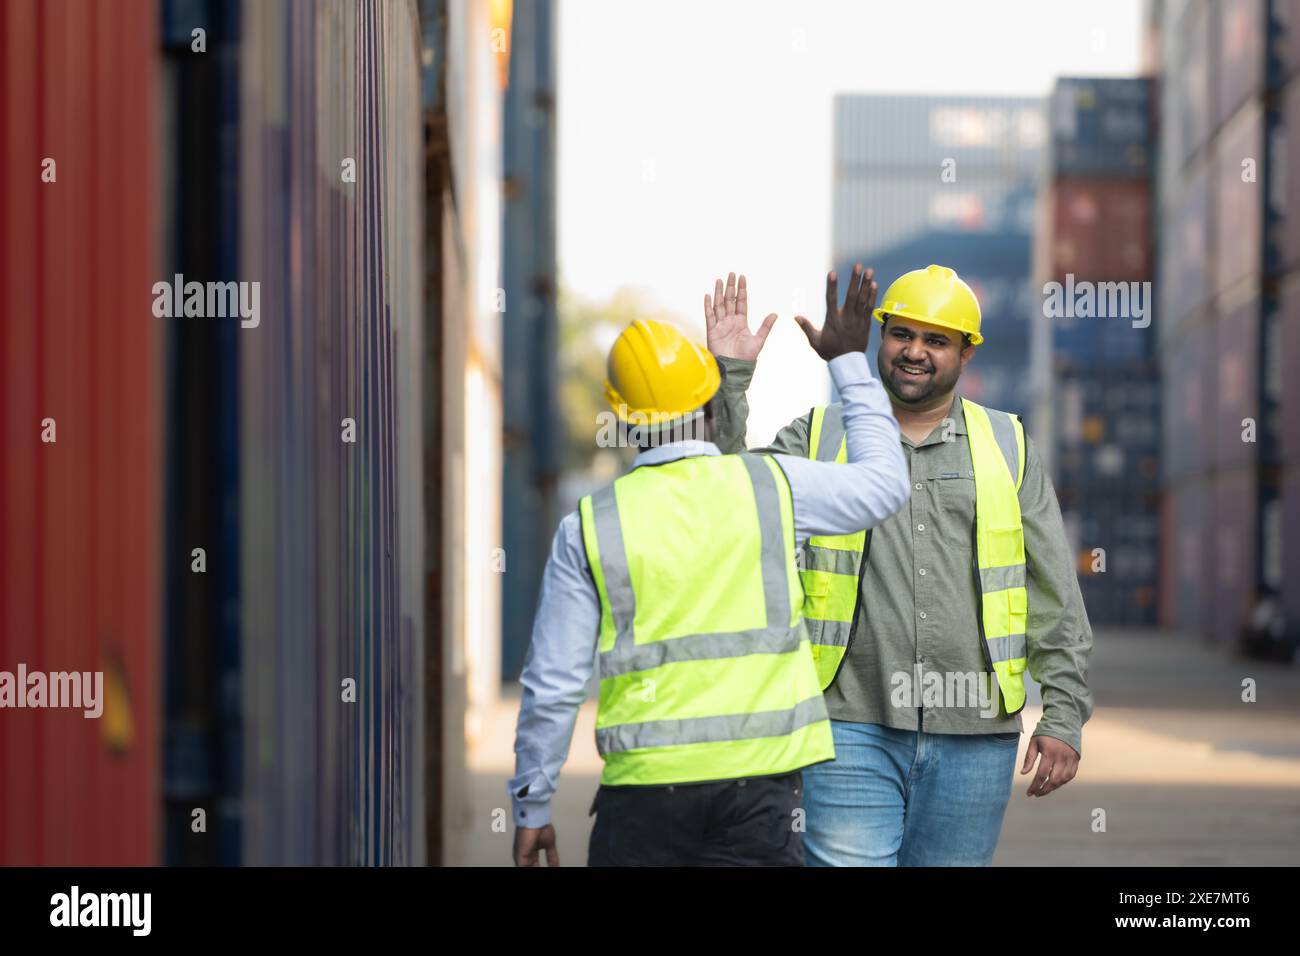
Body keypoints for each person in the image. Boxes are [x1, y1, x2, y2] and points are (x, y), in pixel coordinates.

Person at [509, 270, 910, 866]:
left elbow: (553, 683)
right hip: (758, 794)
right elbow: (884, 485)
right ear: (708, 396)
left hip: (641, 799)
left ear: (623, 419)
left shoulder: (591, 525)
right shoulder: (774, 487)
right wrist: (849, 361)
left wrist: (531, 806)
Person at [710, 263, 1095, 866]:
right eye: (900, 335)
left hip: (976, 735)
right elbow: (724, 496)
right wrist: (732, 377)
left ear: (966, 353)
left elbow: (1053, 592)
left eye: (936, 340)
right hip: (846, 726)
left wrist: (1064, 715)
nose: (914, 352)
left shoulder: (1008, 445)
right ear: (878, 338)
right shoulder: (820, 436)